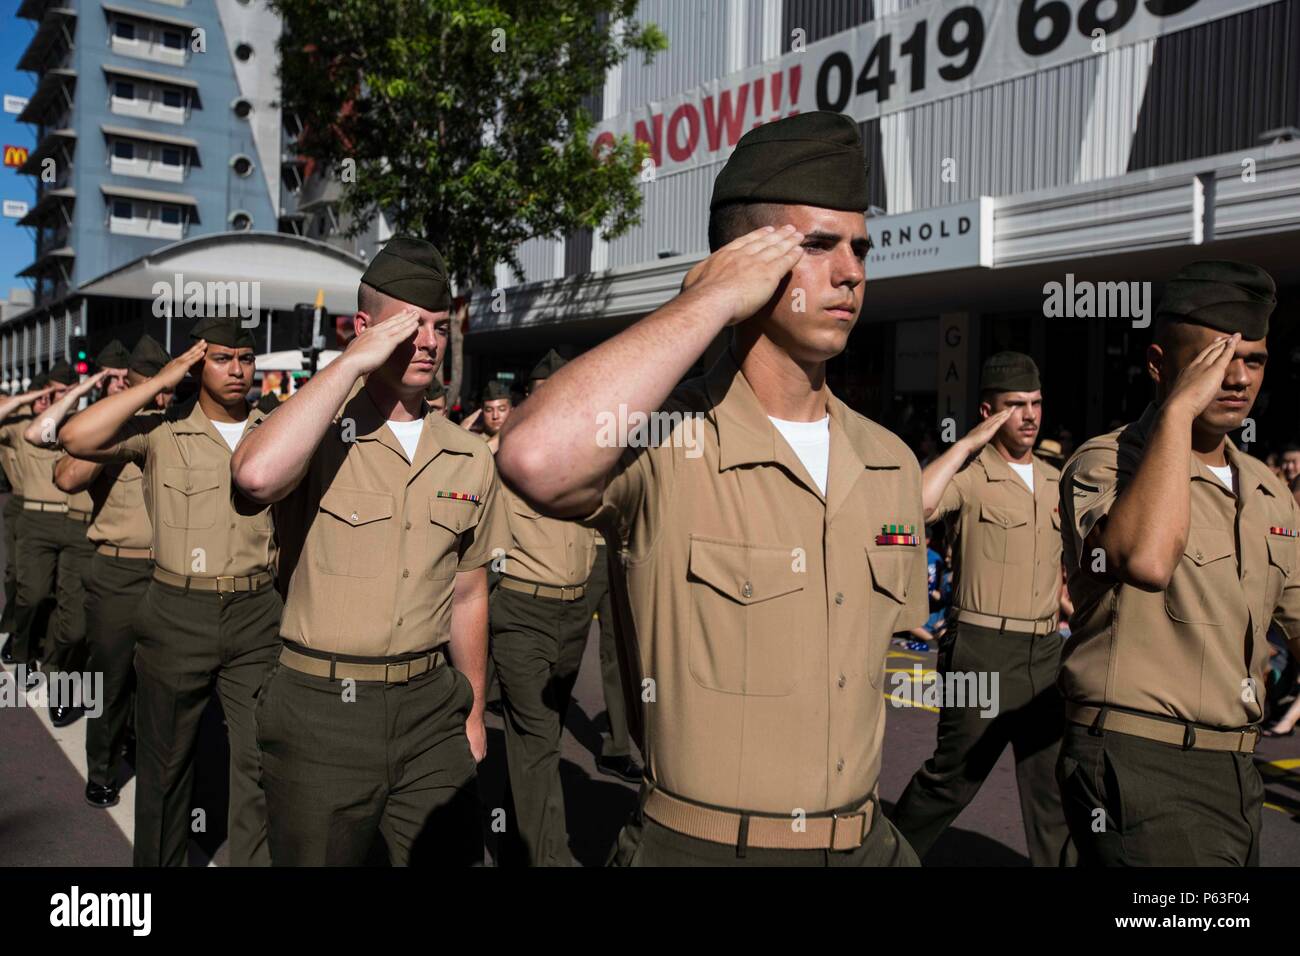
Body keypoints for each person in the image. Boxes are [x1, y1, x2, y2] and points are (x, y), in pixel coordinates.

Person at [497, 111, 928, 866]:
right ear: (745, 260)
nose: (852, 271)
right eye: (818, 245)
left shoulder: (889, 460)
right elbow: (534, 454)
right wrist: (705, 302)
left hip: (864, 842)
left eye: (860, 246)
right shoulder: (667, 439)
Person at [231, 237, 513, 866]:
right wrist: (352, 364)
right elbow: (255, 477)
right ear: (364, 328)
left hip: (430, 710)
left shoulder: (466, 453)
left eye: (438, 328)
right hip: (321, 709)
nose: (427, 343)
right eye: (409, 325)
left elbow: (469, 592)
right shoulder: (316, 429)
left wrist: (470, 713)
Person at [1057, 260, 1300, 866]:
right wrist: (1176, 414)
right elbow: (1146, 558)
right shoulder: (1105, 462)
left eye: (1255, 360)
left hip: (1239, 771)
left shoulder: (1268, 489)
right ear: (1161, 365)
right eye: (1216, 362)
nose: (1239, 379)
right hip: (1141, 759)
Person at [60, 317, 280, 867]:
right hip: (176, 607)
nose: (237, 370)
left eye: (246, 359)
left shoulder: (276, 430)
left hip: (257, 611)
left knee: (260, 762)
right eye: (222, 358)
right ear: (197, 363)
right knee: (165, 763)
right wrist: (163, 378)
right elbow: (73, 439)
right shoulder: (160, 428)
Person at [890, 352, 1072, 866]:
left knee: (1051, 788)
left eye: (1036, 403)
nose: (1030, 415)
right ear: (989, 411)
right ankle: (888, 858)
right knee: (953, 779)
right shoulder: (971, 476)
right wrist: (969, 444)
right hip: (983, 648)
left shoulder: (1059, 481)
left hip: (1045, 650)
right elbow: (915, 505)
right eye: (1016, 405)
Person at [490, 350, 601, 866]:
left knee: (540, 738)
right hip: (521, 611)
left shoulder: (594, 459)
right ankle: (548, 858)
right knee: (537, 741)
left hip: (573, 613)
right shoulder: (502, 457)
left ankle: (517, 842)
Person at [53, 336, 172, 808]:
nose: (162, 397)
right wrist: (120, 412)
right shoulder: (110, 431)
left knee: (158, 679)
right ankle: (101, 767)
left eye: (167, 387)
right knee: (110, 676)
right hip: (118, 572)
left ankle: (141, 748)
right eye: (153, 387)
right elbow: (67, 477)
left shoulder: (178, 429)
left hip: (168, 575)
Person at [1, 361, 97, 719]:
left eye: (62, 391)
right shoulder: (21, 425)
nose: (54, 397)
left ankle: (58, 675)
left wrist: (71, 399)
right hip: (34, 518)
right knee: (33, 593)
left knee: (70, 612)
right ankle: (23, 653)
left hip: (76, 523)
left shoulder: (80, 427)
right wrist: (35, 396)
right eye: (51, 391)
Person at [463, 380, 512, 452]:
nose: (495, 416)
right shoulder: (472, 441)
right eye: (489, 410)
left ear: (512, 410)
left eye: (502, 409)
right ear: (482, 412)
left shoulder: (520, 439)